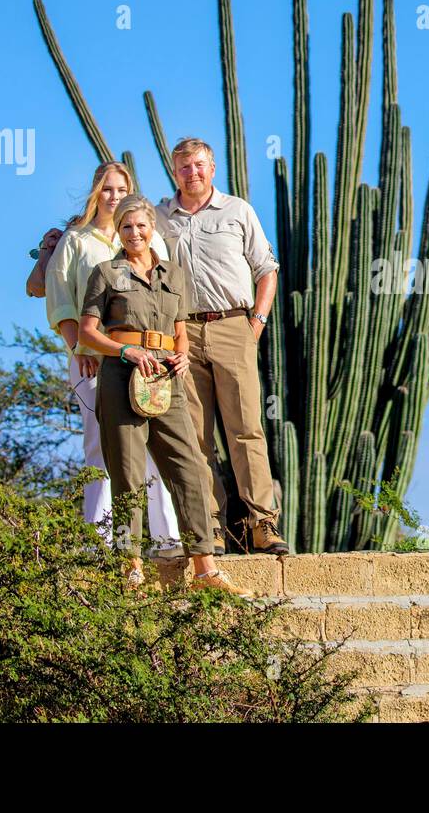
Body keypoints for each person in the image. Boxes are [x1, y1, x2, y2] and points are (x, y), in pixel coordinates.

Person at [79, 194, 250, 595]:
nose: (134, 233)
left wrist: (184, 356)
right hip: (121, 374)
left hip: (166, 377)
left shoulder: (173, 274)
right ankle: (131, 564)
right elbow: (88, 331)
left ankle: (205, 567)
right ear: (118, 232)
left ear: (152, 229)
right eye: (126, 227)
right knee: (128, 471)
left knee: (189, 466)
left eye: (141, 226)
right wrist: (125, 350)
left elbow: (180, 330)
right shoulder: (105, 274)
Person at [40, 161, 183, 554]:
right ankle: (99, 539)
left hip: (150, 360)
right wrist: (80, 349)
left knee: (155, 447)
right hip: (94, 357)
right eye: (107, 189)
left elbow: (168, 299)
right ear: (95, 193)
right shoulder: (76, 241)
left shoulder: (150, 239)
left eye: (121, 189)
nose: (114, 196)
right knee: (101, 448)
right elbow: (61, 300)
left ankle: (166, 537)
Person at [154, 137, 288, 555]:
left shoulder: (238, 211)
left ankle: (262, 523)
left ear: (212, 168)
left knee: (246, 427)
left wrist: (256, 323)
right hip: (182, 333)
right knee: (195, 435)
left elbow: (267, 269)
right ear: (174, 172)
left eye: (198, 165)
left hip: (234, 324)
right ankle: (209, 526)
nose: (191, 173)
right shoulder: (159, 217)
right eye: (183, 167)